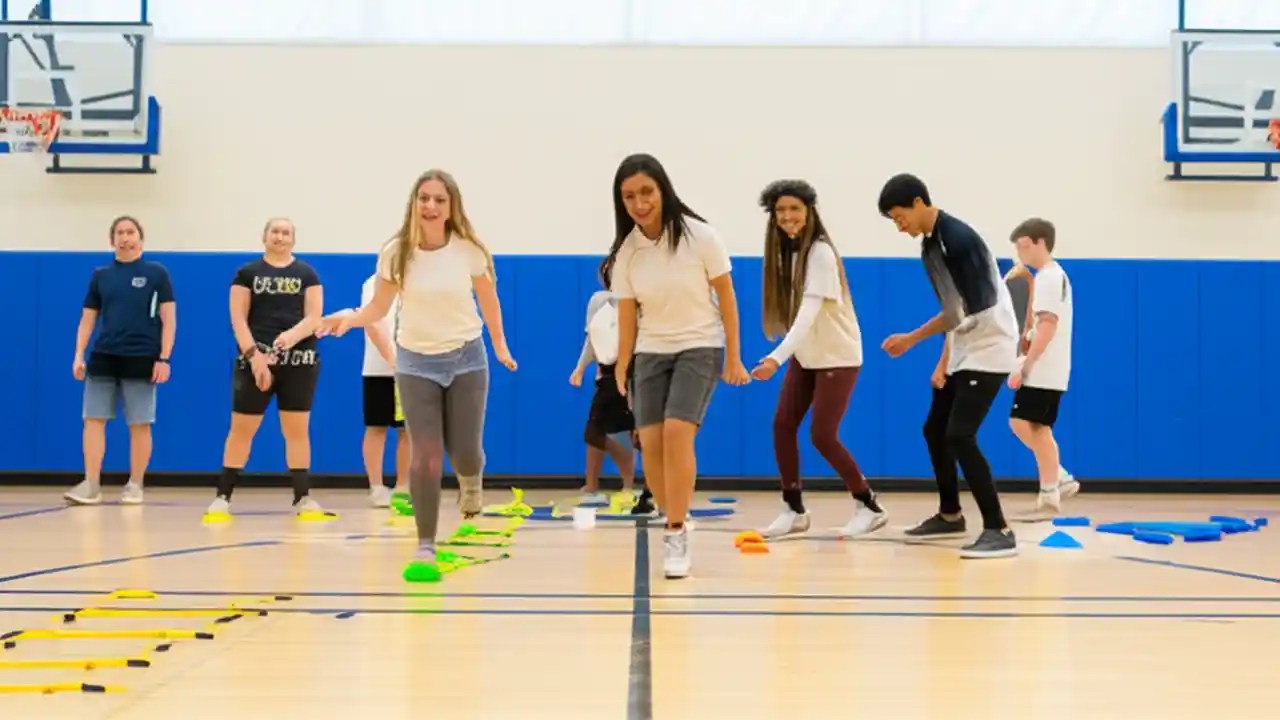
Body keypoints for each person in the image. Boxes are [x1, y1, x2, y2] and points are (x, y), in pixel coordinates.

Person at [318, 169, 516, 580]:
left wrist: (499, 345)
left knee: (463, 449)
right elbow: (377, 309)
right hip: (414, 361)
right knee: (425, 455)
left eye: (439, 200)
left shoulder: (470, 250)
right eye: (423, 198)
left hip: (466, 357)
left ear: (451, 207)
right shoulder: (396, 252)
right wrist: (350, 320)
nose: (430, 206)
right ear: (413, 203)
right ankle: (425, 544)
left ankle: (471, 479)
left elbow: (489, 301)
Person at [606, 152, 750, 579]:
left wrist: (735, 356)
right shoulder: (627, 253)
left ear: (663, 190)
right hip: (651, 351)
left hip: (700, 345)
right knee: (650, 443)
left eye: (646, 191)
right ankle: (675, 514)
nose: (639, 202)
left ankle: (674, 533)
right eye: (629, 196)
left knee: (676, 432)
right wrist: (623, 363)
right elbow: (629, 315)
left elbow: (727, 297)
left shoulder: (700, 237)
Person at [877, 173, 1019, 559]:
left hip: (991, 347)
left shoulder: (957, 240)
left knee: (959, 435)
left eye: (899, 216)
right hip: (967, 346)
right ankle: (950, 514)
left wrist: (910, 339)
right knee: (935, 429)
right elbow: (955, 312)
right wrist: (945, 361)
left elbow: (961, 312)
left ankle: (999, 529)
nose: (899, 224)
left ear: (919, 203)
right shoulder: (931, 245)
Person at [749, 180, 887, 539]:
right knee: (782, 425)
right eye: (780, 211)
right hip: (808, 356)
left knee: (823, 435)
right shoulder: (786, 253)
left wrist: (775, 359)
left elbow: (808, 314)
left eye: (794, 209)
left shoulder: (821, 253)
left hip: (837, 357)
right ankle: (793, 508)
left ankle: (868, 504)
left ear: (809, 212)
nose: (787, 216)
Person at [208, 218, 325, 517]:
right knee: (241, 429)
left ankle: (303, 498)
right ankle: (223, 496)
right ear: (264, 236)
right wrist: (255, 357)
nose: (280, 237)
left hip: (299, 364)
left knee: (297, 430)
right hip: (254, 364)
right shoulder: (246, 274)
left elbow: (314, 317)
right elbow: (238, 320)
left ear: (293, 240)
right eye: (275, 231)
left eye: (286, 232)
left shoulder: (307, 274)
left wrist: (290, 337)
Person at [65, 215, 175, 506]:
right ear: (111, 239)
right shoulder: (101, 275)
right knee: (93, 419)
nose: (125, 237)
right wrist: (79, 354)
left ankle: (135, 484)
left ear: (140, 238)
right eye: (120, 233)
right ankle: (91, 484)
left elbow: (169, 319)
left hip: (141, 356)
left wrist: (164, 358)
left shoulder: (157, 273)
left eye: (131, 232)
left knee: (140, 423)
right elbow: (88, 319)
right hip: (104, 356)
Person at [1005, 218, 1079, 515]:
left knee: (1032, 425)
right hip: (1049, 366)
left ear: (1036, 242)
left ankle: (1051, 491)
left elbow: (1048, 324)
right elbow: (1041, 324)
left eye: (1022, 245)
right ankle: (1058, 477)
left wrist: (1027, 363)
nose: (1019, 251)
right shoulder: (1052, 276)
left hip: (1045, 368)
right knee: (1026, 424)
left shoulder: (1050, 277)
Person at [569, 271, 638, 505]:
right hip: (605, 375)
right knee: (594, 432)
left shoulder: (637, 300)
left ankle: (630, 485)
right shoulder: (598, 301)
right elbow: (592, 340)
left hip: (632, 373)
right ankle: (592, 483)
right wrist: (579, 369)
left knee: (634, 431)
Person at [359, 273, 410, 508]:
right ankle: (376, 487)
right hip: (378, 368)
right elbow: (371, 321)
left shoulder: (423, 279)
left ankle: (403, 486)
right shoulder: (374, 283)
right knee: (376, 427)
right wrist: (391, 358)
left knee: (408, 430)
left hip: (415, 369)